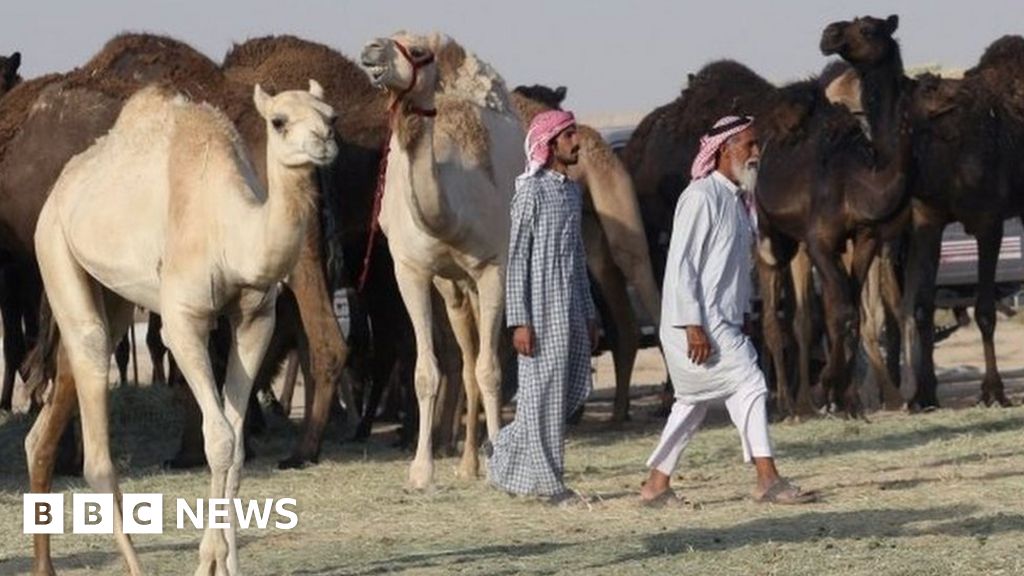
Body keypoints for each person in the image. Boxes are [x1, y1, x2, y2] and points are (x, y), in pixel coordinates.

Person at [640, 115, 816, 506]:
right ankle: (767, 479)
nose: (756, 154)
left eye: (757, 146)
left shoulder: (735, 200)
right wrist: (692, 326)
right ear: (722, 150)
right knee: (750, 383)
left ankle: (656, 486)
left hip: (720, 322)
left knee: (692, 405)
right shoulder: (701, 196)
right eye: (748, 146)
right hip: (697, 325)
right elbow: (682, 264)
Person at [487, 109, 599, 505]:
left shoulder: (570, 191)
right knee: (542, 397)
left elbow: (577, 257)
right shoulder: (530, 192)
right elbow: (517, 260)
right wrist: (519, 320)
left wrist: (588, 311)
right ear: (549, 145)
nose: (576, 142)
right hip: (538, 309)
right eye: (569, 136)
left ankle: (502, 452)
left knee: (571, 389)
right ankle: (551, 486)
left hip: (569, 307)